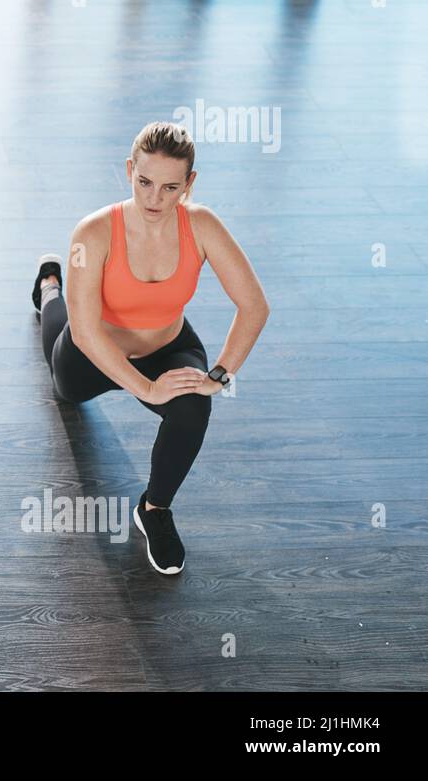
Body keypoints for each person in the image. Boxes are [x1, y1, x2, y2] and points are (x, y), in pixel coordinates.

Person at [33, 121, 269, 574]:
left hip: (167, 344)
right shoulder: (94, 231)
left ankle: (155, 510)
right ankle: (47, 286)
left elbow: (254, 306)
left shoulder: (202, 226)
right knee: (62, 363)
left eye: (169, 187)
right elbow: (84, 332)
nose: (154, 199)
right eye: (144, 182)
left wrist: (219, 373)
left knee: (192, 408)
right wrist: (147, 388)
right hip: (95, 349)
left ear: (190, 184)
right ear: (129, 171)